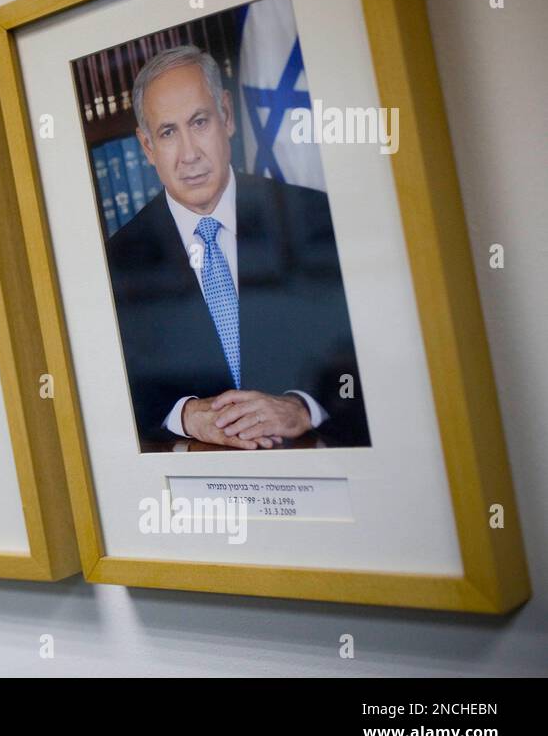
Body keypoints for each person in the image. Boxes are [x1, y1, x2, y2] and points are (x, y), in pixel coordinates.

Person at [106, 45, 369, 449]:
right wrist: (186, 415)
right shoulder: (116, 261)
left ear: (226, 116)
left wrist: (304, 407)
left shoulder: (318, 218)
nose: (189, 154)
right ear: (146, 146)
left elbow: (372, 360)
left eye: (199, 121)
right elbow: (109, 392)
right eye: (168, 132)